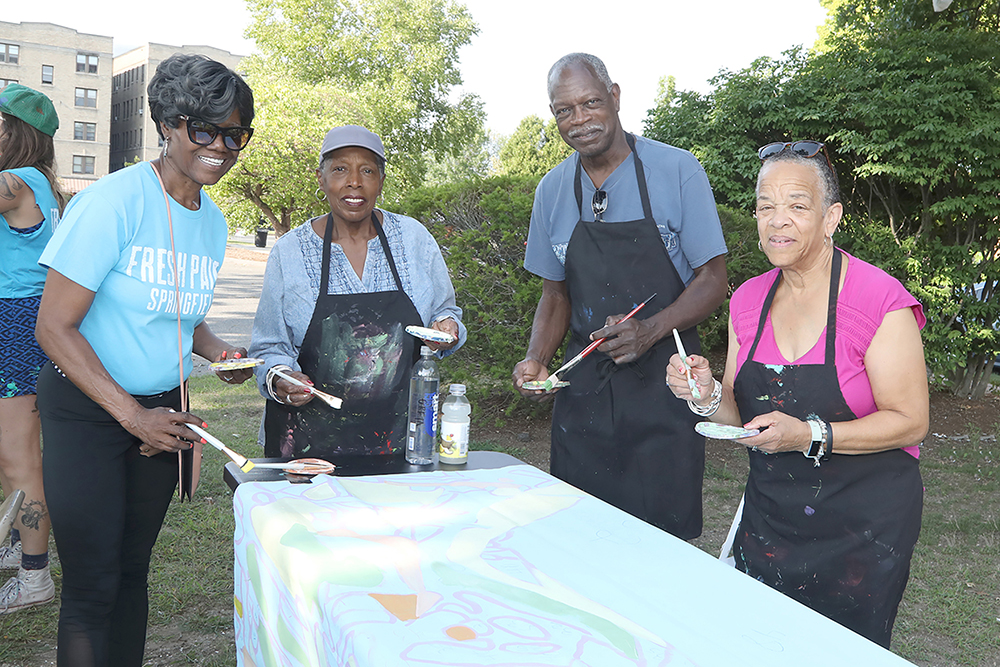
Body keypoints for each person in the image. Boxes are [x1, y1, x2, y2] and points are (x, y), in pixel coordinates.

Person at [34, 54, 255, 666]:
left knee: (133, 573)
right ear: (169, 125)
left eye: (236, 134)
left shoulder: (212, 221)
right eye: (206, 130)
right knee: (92, 582)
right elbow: (54, 327)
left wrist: (217, 350)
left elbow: (180, 310)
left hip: (162, 414)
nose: (222, 146)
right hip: (89, 408)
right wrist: (131, 416)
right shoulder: (113, 203)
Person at [667, 140, 927, 648]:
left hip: (863, 530)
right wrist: (704, 391)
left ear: (831, 218)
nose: (777, 220)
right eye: (765, 206)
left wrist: (808, 434)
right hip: (771, 517)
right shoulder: (748, 300)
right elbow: (739, 415)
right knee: (753, 645)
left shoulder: (878, 299)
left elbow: (911, 421)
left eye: (796, 206)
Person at [512, 53, 728, 539]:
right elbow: (555, 294)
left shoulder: (676, 169)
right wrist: (536, 359)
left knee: (659, 547)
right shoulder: (551, 191)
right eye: (564, 110)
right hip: (583, 394)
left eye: (590, 102)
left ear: (614, 96)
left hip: (666, 388)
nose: (579, 119)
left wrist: (651, 329)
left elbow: (714, 278)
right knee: (579, 539)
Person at [250, 125, 465, 459]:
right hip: (305, 448)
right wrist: (280, 379)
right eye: (339, 170)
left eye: (367, 170)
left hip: (400, 440)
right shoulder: (289, 252)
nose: (354, 182)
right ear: (321, 179)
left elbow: (445, 313)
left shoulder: (413, 239)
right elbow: (269, 347)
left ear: (380, 180)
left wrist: (447, 328)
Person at [0, 84, 64, 613]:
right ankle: (23, 541)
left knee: (19, 457)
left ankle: (35, 575)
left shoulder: (18, 182)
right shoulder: (41, 182)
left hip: (18, 324)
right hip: (20, 320)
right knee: (14, 454)